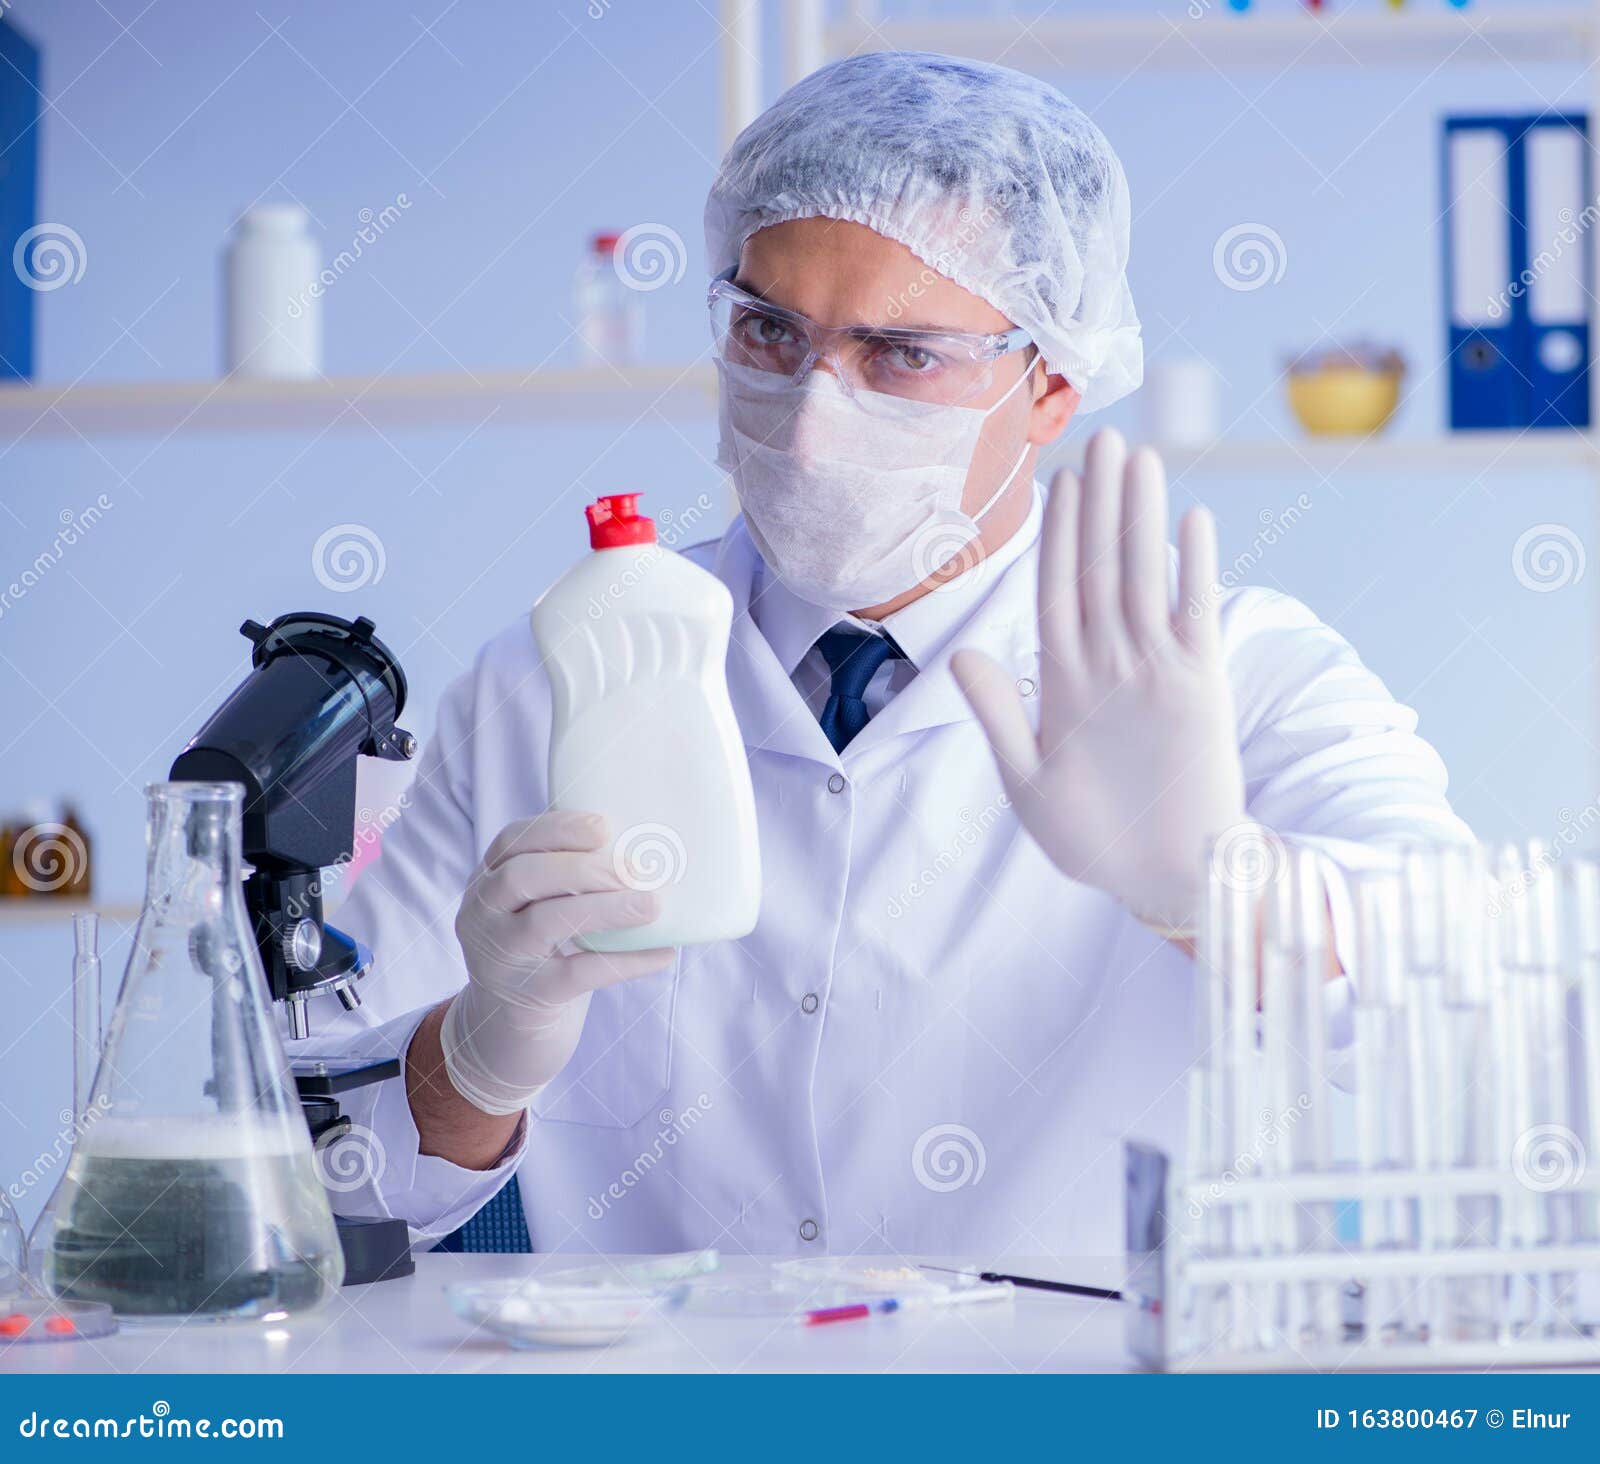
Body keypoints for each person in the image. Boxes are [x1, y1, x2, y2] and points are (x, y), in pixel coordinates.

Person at [304, 52, 1468, 1262]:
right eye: (768, 331)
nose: (811, 413)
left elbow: (1475, 1021)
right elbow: (334, 1199)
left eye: (901, 352)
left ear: (1052, 384)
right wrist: (486, 1045)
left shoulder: (1242, 672)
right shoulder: (542, 684)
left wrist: (1212, 889)